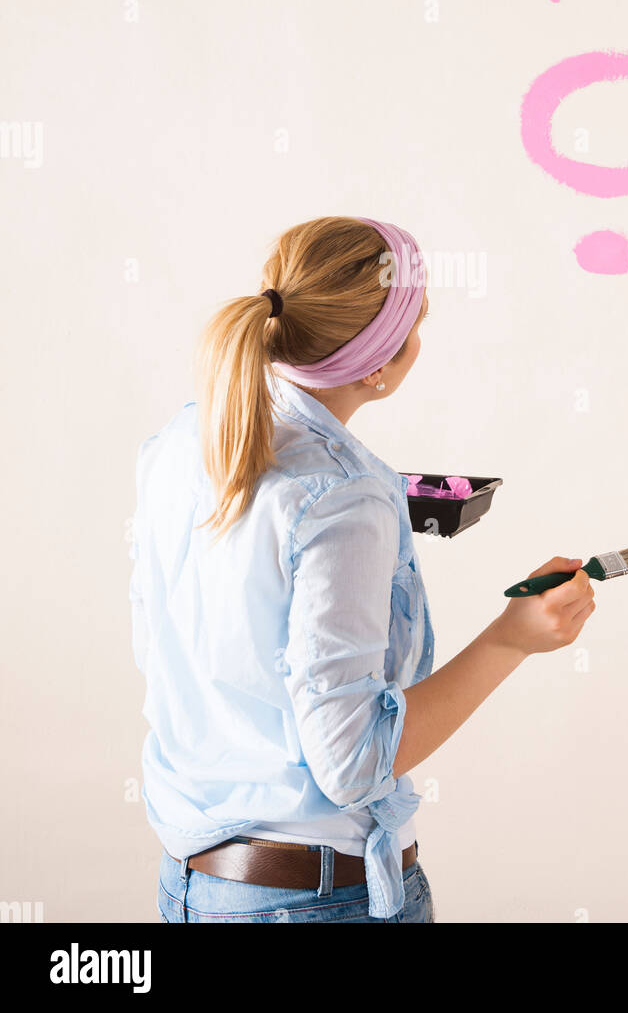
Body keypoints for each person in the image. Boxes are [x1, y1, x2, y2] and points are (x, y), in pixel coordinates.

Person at [129, 215, 596, 923]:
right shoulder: (341, 499)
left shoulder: (184, 439)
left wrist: (370, 511)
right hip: (314, 900)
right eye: (419, 321)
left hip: (198, 883)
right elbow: (352, 764)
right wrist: (512, 638)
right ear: (382, 363)